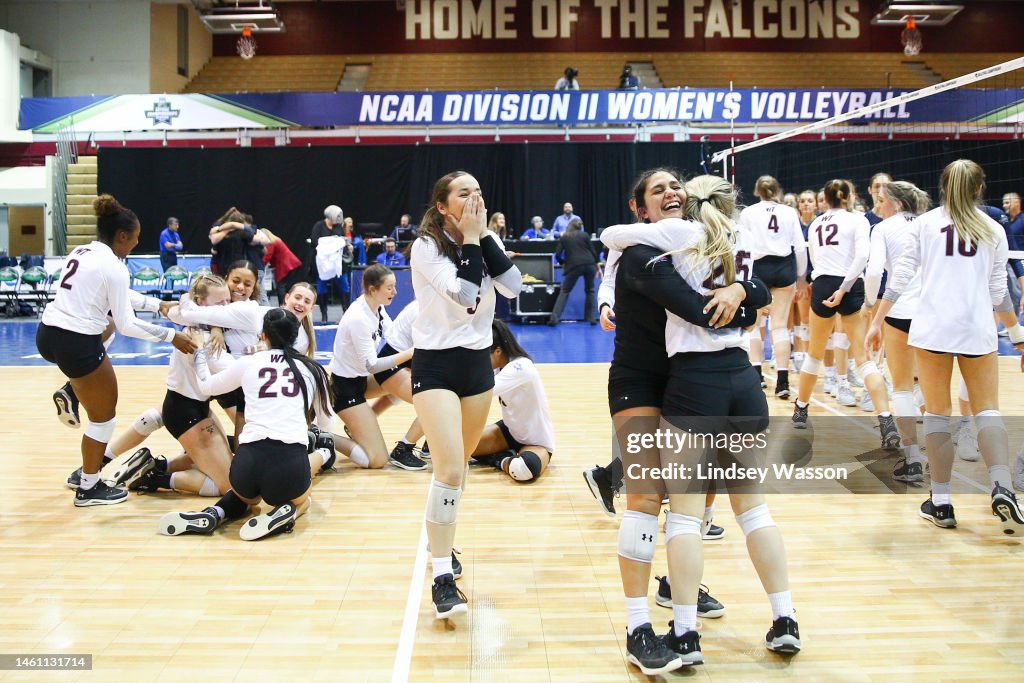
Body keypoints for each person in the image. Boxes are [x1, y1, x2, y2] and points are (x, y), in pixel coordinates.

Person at [600, 173, 786, 671]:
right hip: (642, 381)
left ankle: (678, 589)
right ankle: (638, 626)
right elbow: (706, 312)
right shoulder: (641, 254)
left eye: (675, 186)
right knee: (646, 498)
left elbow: (758, 283)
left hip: (687, 380)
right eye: (657, 190)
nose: (670, 193)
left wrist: (745, 287)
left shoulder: (694, 244)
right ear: (640, 209)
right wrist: (744, 302)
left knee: (697, 503)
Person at [868, 159, 1024, 534]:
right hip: (976, 329)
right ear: (979, 189)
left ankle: (940, 503)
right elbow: (999, 292)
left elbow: (900, 277)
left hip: (933, 329)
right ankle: (1003, 487)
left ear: (942, 187)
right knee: (987, 410)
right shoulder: (993, 228)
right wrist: (1017, 335)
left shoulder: (924, 224)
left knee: (938, 414)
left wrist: (876, 320)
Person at [35, 194, 197, 506]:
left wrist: (157, 304)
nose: (136, 244)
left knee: (105, 324)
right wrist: (171, 336)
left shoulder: (82, 251)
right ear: (122, 236)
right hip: (75, 344)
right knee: (103, 419)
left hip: (47, 334)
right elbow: (128, 325)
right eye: (135, 238)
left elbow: (116, 294)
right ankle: (88, 487)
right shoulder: (114, 266)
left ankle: (71, 389)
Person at [410, 171, 521, 619]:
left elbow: (514, 286)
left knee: (458, 473)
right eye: (464, 192)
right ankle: (442, 577)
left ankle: (444, 542)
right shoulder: (426, 246)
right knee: (450, 468)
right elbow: (465, 295)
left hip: (477, 365)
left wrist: (483, 238)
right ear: (442, 206)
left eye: (478, 191)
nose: (475, 197)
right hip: (436, 363)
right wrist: (474, 239)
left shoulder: (485, 238)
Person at [159, 308, 336, 539]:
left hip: (247, 462)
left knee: (245, 497)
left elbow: (206, 386)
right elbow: (327, 423)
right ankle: (287, 513)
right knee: (304, 498)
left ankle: (215, 513)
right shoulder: (313, 369)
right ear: (296, 337)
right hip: (288, 464)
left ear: (263, 335)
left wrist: (200, 352)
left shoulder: (249, 363)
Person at [791, 179, 900, 452]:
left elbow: (815, 261)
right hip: (851, 286)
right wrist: (844, 288)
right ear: (850, 196)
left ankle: (801, 409)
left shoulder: (816, 224)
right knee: (863, 357)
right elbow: (862, 257)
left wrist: (834, 287)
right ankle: (886, 421)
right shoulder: (858, 220)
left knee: (815, 353)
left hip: (823, 284)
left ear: (825, 199)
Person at [862, 180, 932, 483]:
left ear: (898, 204)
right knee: (931, 387)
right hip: (932, 312)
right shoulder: (931, 223)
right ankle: (939, 455)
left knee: (902, 387)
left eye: (883, 200)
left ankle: (913, 460)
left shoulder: (883, 228)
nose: (879, 205)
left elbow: (874, 272)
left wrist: (870, 304)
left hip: (900, 311)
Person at [329, 264, 425, 471]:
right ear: (373, 289)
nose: (395, 292)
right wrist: (411, 353)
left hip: (361, 380)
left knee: (404, 381)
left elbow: (392, 334)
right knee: (377, 460)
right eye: (389, 288)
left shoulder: (377, 308)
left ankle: (360, 424)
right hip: (345, 389)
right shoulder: (358, 318)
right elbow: (372, 365)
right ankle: (324, 436)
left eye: (394, 286)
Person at [739, 175, 807, 399]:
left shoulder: (748, 212)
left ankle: (757, 376)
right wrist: (801, 277)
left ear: (757, 191)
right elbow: (800, 247)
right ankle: (783, 382)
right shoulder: (789, 211)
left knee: (755, 324)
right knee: (779, 327)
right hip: (784, 267)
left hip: (758, 268)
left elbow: (742, 245)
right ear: (777, 191)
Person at [469, 320, 554, 482]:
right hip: (510, 432)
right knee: (461, 446)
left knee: (523, 470)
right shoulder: (497, 367)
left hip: (536, 441)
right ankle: (506, 456)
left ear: (498, 351)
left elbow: (481, 391)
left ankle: (499, 460)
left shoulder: (521, 366)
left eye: (482, 356)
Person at [548, 217, 597, 325]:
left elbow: (557, 255)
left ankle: (554, 318)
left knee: (565, 291)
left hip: (574, 265)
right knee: (590, 291)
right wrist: (596, 263)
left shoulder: (565, 237)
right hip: (589, 264)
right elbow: (593, 251)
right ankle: (591, 318)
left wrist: (562, 263)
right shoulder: (585, 235)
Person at [310, 204, 349, 323]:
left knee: (344, 286)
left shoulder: (339, 227)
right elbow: (315, 241)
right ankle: (324, 314)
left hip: (337, 262)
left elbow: (342, 241)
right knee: (321, 288)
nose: (338, 219)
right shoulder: (319, 226)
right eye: (336, 216)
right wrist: (331, 243)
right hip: (323, 263)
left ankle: (346, 312)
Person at [258, 229, 306, 305]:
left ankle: (283, 305)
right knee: (285, 286)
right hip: (290, 264)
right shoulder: (276, 240)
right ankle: (285, 304)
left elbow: (267, 256)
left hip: (285, 265)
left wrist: (259, 266)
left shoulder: (271, 242)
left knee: (281, 286)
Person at [209, 208, 255, 277]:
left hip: (222, 264)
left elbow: (214, 248)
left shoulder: (220, 231)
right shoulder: (243, 233)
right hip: (234, 264)